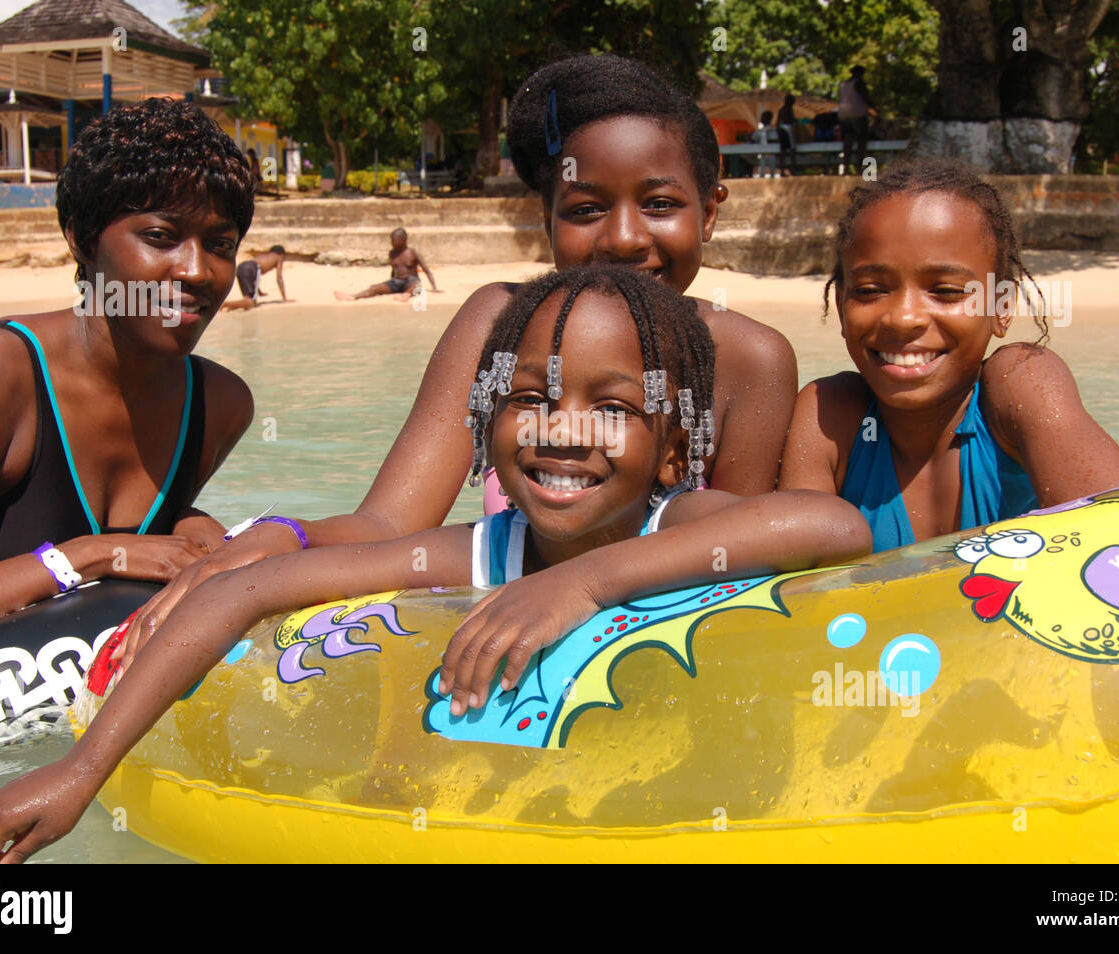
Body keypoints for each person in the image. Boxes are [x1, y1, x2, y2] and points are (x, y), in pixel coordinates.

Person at [0, 263, 868, 863]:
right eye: (527, 398)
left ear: (673, 451)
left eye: (614, 408)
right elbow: (250, 590)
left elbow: (832, 527)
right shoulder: (477, 551)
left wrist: (585, 582)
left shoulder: (686, 519)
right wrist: (82, 771)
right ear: (487, 424)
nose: (563, 429)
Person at [114, 53, 799, 673]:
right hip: (498, 656)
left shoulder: (750, 358)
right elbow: (389, 526)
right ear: (546, 216)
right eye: (586, 209)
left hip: (663, 654)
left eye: (659, 204)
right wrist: (284, 537)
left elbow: (739, 557)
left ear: (709, 213)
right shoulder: (496, 326)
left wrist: (584, 584)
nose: (622, 237)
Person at [0, 98, 256, 642]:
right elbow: (94, 543)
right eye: (160, 237)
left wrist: (186, 522)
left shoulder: (220, 404)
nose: (196, 270)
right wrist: (88, 557)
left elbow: (140, 538)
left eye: (219, 244)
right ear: (81, 237)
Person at [780, 158, 1119, 552]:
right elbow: (793, 590)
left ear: (1002, 306)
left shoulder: (1020, 384)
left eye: (946, 291)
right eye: (869, 290)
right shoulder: (830, 418)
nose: (903, 318)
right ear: (841, 304)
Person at [334, 228, 439, 301]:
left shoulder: (412, 253)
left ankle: (405, 296)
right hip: (396, 281)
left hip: (411, 281)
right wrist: (389, 284)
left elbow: (427, 271)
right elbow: (394, 271)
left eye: (394, 240)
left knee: (416, 287)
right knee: (374, 288)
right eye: (392, 239)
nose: (392, 242)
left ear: (403, 240)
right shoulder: (392, 253)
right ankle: (353, 297)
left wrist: (434, 287)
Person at [220, 245, 287, 311]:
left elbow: (254, 280)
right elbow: (279, 277)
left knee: (247, 298)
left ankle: (232, 306)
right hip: (252, 268)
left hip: (241, 267)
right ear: (282, 255)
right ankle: (227, 304)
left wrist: (260, 293)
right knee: (252, 303)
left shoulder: (263, 257)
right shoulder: (279, 257)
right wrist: (284, 299)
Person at [838, 66, 874, 175]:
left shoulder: (843, 85)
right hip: (857, 114)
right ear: (860, 74)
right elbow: (866, 97)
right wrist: (874, 108)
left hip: (843, 115)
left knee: (847, 141)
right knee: (862, 140)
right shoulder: (859, 84)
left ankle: (845, 167)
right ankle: (858, 167)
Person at [750, 110, 778, 179]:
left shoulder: (762, 131)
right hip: (770, 153)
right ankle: (770, 175)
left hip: (766, 153)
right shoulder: (773, 130)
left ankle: (764, 175)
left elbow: (753, 138)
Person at [777, 93, 797, 177]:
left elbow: (778, 121)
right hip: (787, 128)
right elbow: (792, 119)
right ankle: (792, 169)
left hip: (781, 129)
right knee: (792, 149)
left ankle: (782, 170)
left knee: (783, 150)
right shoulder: (789, 109)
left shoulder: (781, 109)